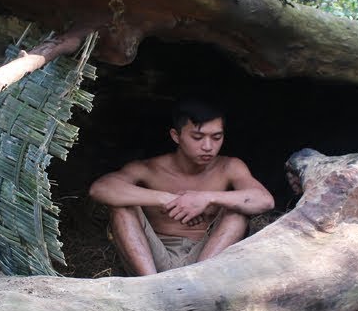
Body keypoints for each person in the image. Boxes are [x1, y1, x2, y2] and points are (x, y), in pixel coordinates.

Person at [89, 99, 275, 275]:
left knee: (238, 210)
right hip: (153, 259)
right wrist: (168, 199)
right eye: (197, 137)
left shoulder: (229, 167)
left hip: (207, 259)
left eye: (216, 137)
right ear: (176, 136)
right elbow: (101, 189)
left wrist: (205, 198)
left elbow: (264, 200)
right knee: (122, 206)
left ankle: (199, 283)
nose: (208, 146)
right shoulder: (149, 169)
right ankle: (152, 286)